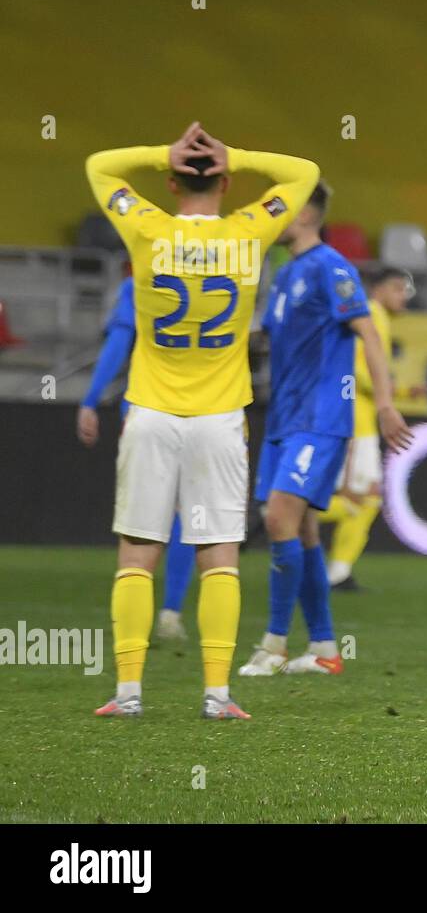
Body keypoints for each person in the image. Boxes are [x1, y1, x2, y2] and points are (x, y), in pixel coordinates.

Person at [86, 122, 320, 719]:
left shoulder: (146, 227)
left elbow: (99, 166)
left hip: (151, 413)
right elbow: (304, 173)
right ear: (227, 181)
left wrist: (159, 151)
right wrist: (235, 152)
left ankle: (128, 692)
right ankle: (217, 693)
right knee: (219, 553)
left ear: (169, 181)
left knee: (138, 552)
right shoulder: (250, 230)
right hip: (219, 419)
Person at [239, 184, 412, 677]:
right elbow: (269, 338)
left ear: (305, 214)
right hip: (283, 419)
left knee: (278, 520)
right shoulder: (286, 272)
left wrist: (383, 405)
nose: (269, 216)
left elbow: (368, 334)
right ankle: (324, 649)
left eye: (279, 209)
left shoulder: (332, 266)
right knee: (303, 528)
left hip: (321, 418)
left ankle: (272, 644)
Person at [78, 275, 197, 641]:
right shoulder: (220, 278)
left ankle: (133, 624)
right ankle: (170, 613)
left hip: (147, 408)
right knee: (188, 514)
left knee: (142, 516)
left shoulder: (142, 281)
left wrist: (91, 398)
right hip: (206, 409)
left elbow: (119, 341)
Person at [319, 266, 416, 592]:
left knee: (369, 500)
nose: (404, 296)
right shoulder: (370, 314)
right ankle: (278, 513)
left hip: (362, 423)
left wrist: (399, 392)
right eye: (399, 289)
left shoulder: (378, 317)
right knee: (355, 501)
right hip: (353, 423)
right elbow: (353, 368)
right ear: (379, 290)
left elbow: (370, 373)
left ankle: (338, 573)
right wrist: (386, 391)